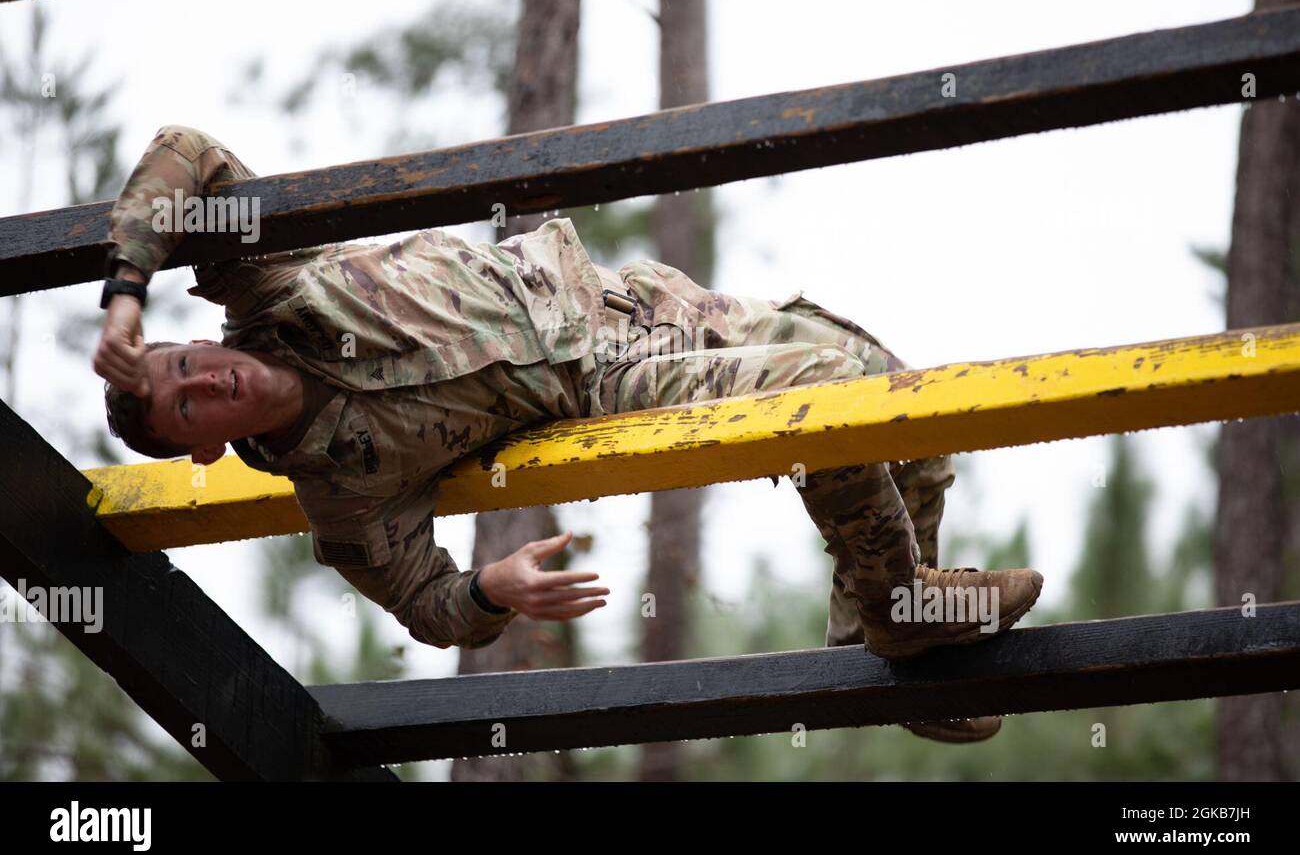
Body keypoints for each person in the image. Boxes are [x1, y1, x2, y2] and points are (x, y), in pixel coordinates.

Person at [94, 125, 1042, 744]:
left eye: (182, 363)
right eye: (189, 407)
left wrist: (124, 290)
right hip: (603, 381)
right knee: (834, 395)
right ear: (205, 448)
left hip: (629, 299)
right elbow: (427, 605)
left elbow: (187, 153)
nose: (205, 380)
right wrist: (488, 591)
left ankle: (872, 625)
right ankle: (900, 604)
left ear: (184, 336)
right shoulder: (341, 498)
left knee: (889, 383)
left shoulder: (273, 282)